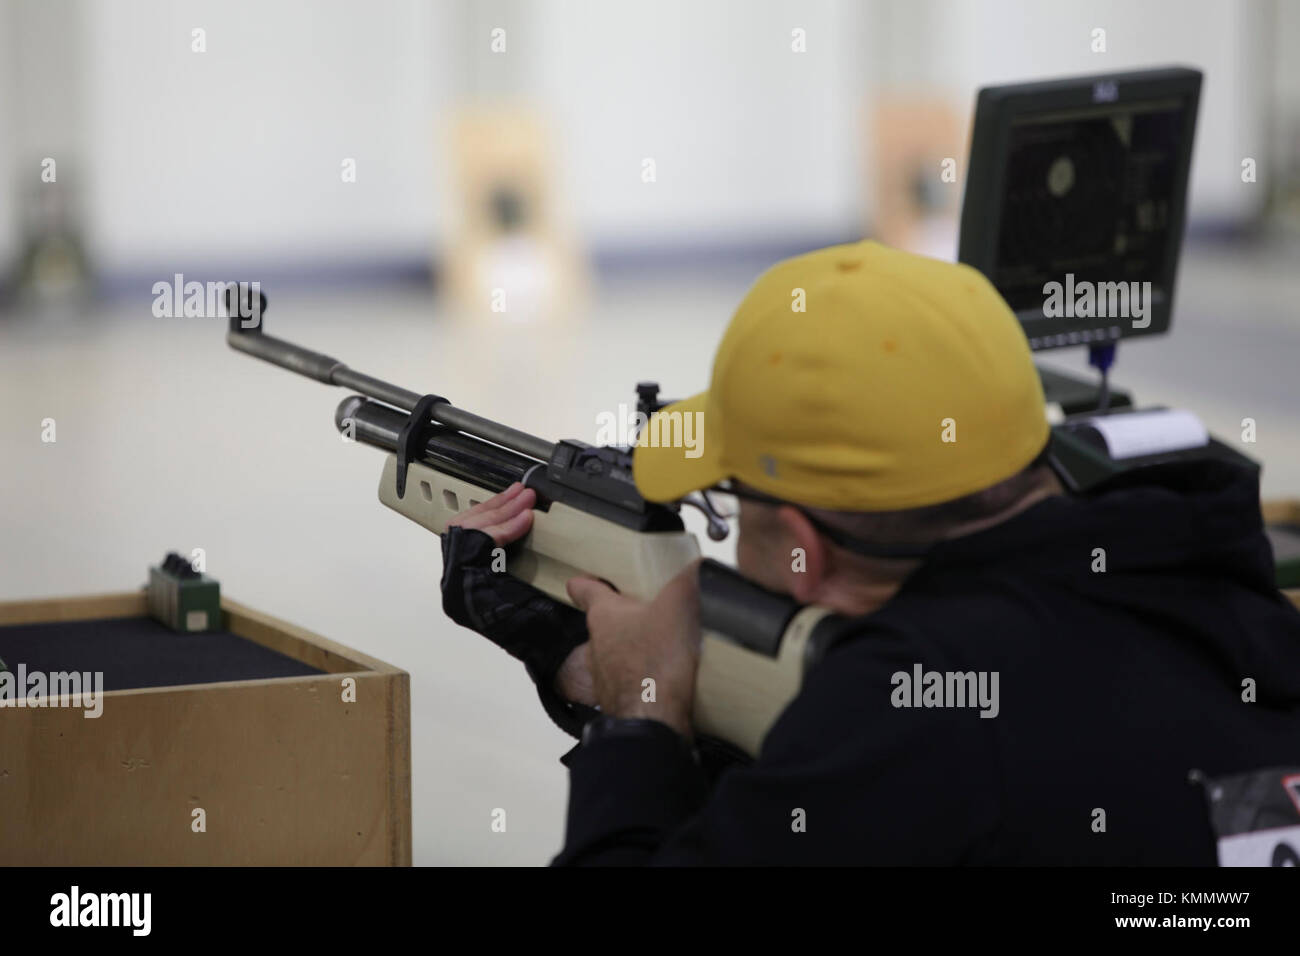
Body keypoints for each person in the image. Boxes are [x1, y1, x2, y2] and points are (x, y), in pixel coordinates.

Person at [441, 241, 1300, 865]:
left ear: (809, 546)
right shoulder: (1225, 590)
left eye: (730, 504)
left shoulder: (910, 717)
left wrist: (633, 723)